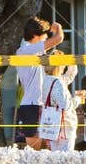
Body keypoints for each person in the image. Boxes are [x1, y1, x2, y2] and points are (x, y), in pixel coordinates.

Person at [14, 17, 64, 150]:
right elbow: (59, 38)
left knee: (47, 147)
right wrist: (57, 27)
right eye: (44, 36)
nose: (46, 38)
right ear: (36, 35)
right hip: (31, 105)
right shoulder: (27, 49)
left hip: (39, 104)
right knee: (35, 149)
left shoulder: (31, 49)